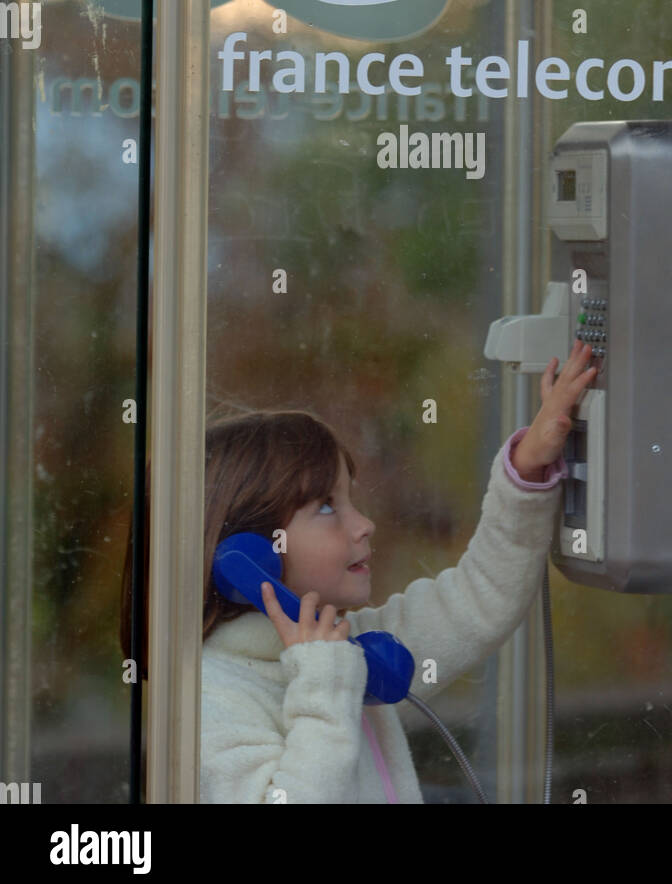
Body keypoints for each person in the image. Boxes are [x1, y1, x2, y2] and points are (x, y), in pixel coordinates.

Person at [199, 337, 597, 803]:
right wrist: (323, 680)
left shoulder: (356, 647)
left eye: (351, 500)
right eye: (328, 508)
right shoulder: (216, 698)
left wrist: (527, 470)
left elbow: (477, 599)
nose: (364, 525)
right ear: (248, 554)